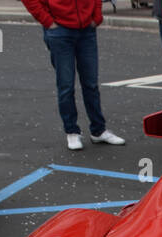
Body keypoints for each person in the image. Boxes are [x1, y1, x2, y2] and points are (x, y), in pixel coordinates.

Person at [20, 0, 127, 150]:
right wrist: (47, 21)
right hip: (60, 30)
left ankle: (99, 130)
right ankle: (72, 131)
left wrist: (96, 16)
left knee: (91, 84)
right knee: (66, 86)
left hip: (86, 29)